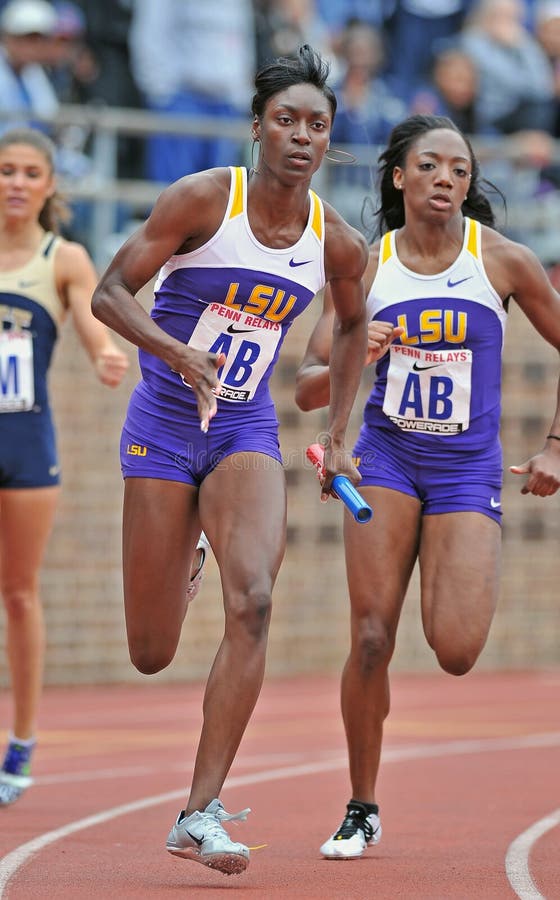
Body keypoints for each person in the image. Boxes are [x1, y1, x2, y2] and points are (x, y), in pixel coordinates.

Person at [91, 44, 368, 876]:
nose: (300, 136)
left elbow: (353, 328)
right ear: (258, 128)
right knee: (149, 649)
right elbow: (110, 293)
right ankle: (190, 546)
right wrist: (177, 353)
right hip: (164, 424)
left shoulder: (336, 242)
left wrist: (345, 436)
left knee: (255, 600)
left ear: (328, 142)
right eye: (286, 120)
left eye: (317, 126)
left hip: (243, 429)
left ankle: (198, 811)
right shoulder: (205, 200)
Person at [295, 113, 560, 860]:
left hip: (467, 469)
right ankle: (361, 805)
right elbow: (309, 387)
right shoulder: (366, 267)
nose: (446, 180)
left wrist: (555, 446)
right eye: (432, 167)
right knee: (372, 636)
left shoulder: (501, 261)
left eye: (460, 170)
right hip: (386, 460)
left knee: (455, 649)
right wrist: (360, 347)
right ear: (399, 177)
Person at [0, 126, 130, 806]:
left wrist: (105, 354)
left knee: (19, 591)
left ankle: (21, 739)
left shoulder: (63, 257)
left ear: (49, 186)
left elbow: (88, 319)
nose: (16, 183)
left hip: (24, 444)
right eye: (5, 170)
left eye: (29, 172)